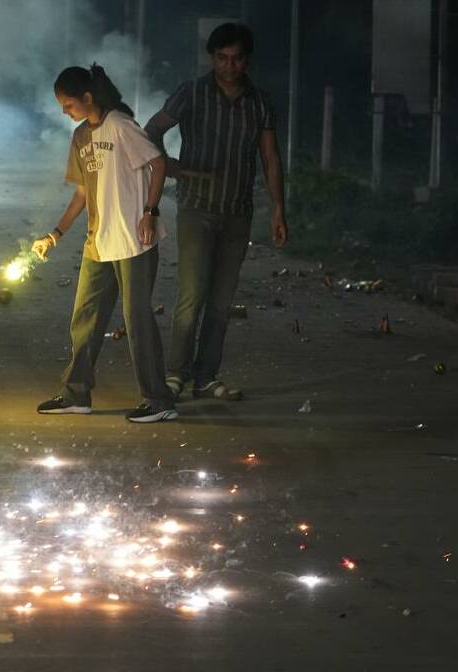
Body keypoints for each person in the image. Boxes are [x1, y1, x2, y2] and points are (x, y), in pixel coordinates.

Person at [144, 23, 289, 402]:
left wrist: (277, 209)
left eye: (237, 58)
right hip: (196, 209)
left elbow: (271, 158)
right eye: (222, 58)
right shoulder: (191, 94)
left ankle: (206, 377)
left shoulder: (260, 101)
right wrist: (170, 166)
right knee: (191, 297)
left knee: (222, 303)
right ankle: (176, 373)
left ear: (247, 60)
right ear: (212, 59)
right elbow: (150, 132)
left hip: (237, 212)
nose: (229, 66)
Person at [30, 65, 177, 424]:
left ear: (87, 97)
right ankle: (76, 394)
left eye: (68, 105)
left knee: (137, 320)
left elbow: (158, 163)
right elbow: (83, 191)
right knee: (85, 318)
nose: (65, 112)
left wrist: (150, 211)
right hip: (99, 241)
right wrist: (55, 234)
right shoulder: (81, 137)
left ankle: (158, 400)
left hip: (134, 241)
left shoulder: (122, 126)